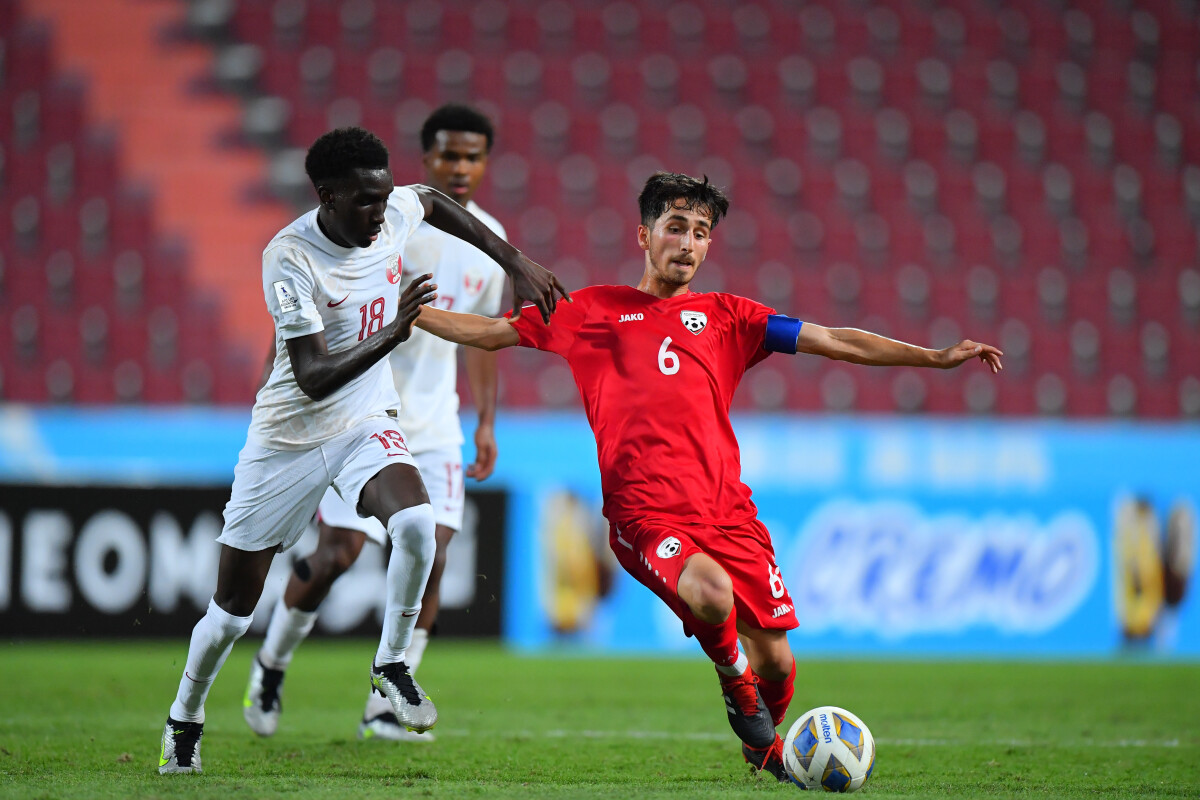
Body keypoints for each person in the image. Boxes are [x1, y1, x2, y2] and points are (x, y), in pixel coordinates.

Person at [409, 172, 1003, 781]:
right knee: (713, 595)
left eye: (700, 232)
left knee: (777, 662)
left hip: (729, 515)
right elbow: (490, 333)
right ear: (644, 235)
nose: (688, 243)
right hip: (644, 516)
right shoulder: (589, 310)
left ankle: (759, 746)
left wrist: (933, 358)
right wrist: (411, 314)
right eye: (675, 228)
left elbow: (833, 340)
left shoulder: (730, 318)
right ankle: (734, 685)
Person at [157, 126, 567, 775]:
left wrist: (513, 261)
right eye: (366, 201)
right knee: (231, 612)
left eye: (384, 196)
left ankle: (391, 666)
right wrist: (394, 331)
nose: (381, 212)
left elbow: (430, 199)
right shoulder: (289, 256)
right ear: (327, 196)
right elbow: (312, 376)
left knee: (418, 525)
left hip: (367, 424)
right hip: (288, 439)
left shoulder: (393, 212)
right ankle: (185, 716)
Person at [242, 105, 509, 742]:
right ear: (427, 158)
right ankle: (271, 663)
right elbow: (308, 320)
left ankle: (385, 701)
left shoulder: (489, 238)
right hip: (356, 415)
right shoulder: (385, 223)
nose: (461, 167)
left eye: (472, 157)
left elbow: (481, 337)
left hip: (435, 424)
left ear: (485, 163)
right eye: (449, 155)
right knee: (338, 555)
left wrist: (486, 421)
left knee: (434, 555)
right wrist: (274, 387)